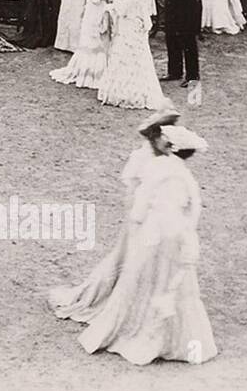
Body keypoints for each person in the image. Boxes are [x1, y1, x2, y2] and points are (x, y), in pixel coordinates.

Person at [50, 120, 217, 366]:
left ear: (171, 147)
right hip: (178, 236)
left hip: (154, 233)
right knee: (173, 285)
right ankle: (175, 338)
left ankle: (139, 330)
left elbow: (141, 205)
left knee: (143, 279)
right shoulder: (186, 177)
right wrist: (187, 235)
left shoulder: (157, 169)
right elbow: (193, 210)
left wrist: (140, 223)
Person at [49, 108, 179, 317]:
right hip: (142, 217)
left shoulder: (168, 158)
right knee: (131, 259)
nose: (168, 142)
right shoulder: (142, 157)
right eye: (164, 136)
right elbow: (134, 193)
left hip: (158, 220)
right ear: (155, 137)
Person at [98, 0, 171, 111]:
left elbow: (130, 0)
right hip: (139, 17)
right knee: (139, 53)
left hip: (129, 17)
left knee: (126, 51)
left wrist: (111, 7)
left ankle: (127, 92)